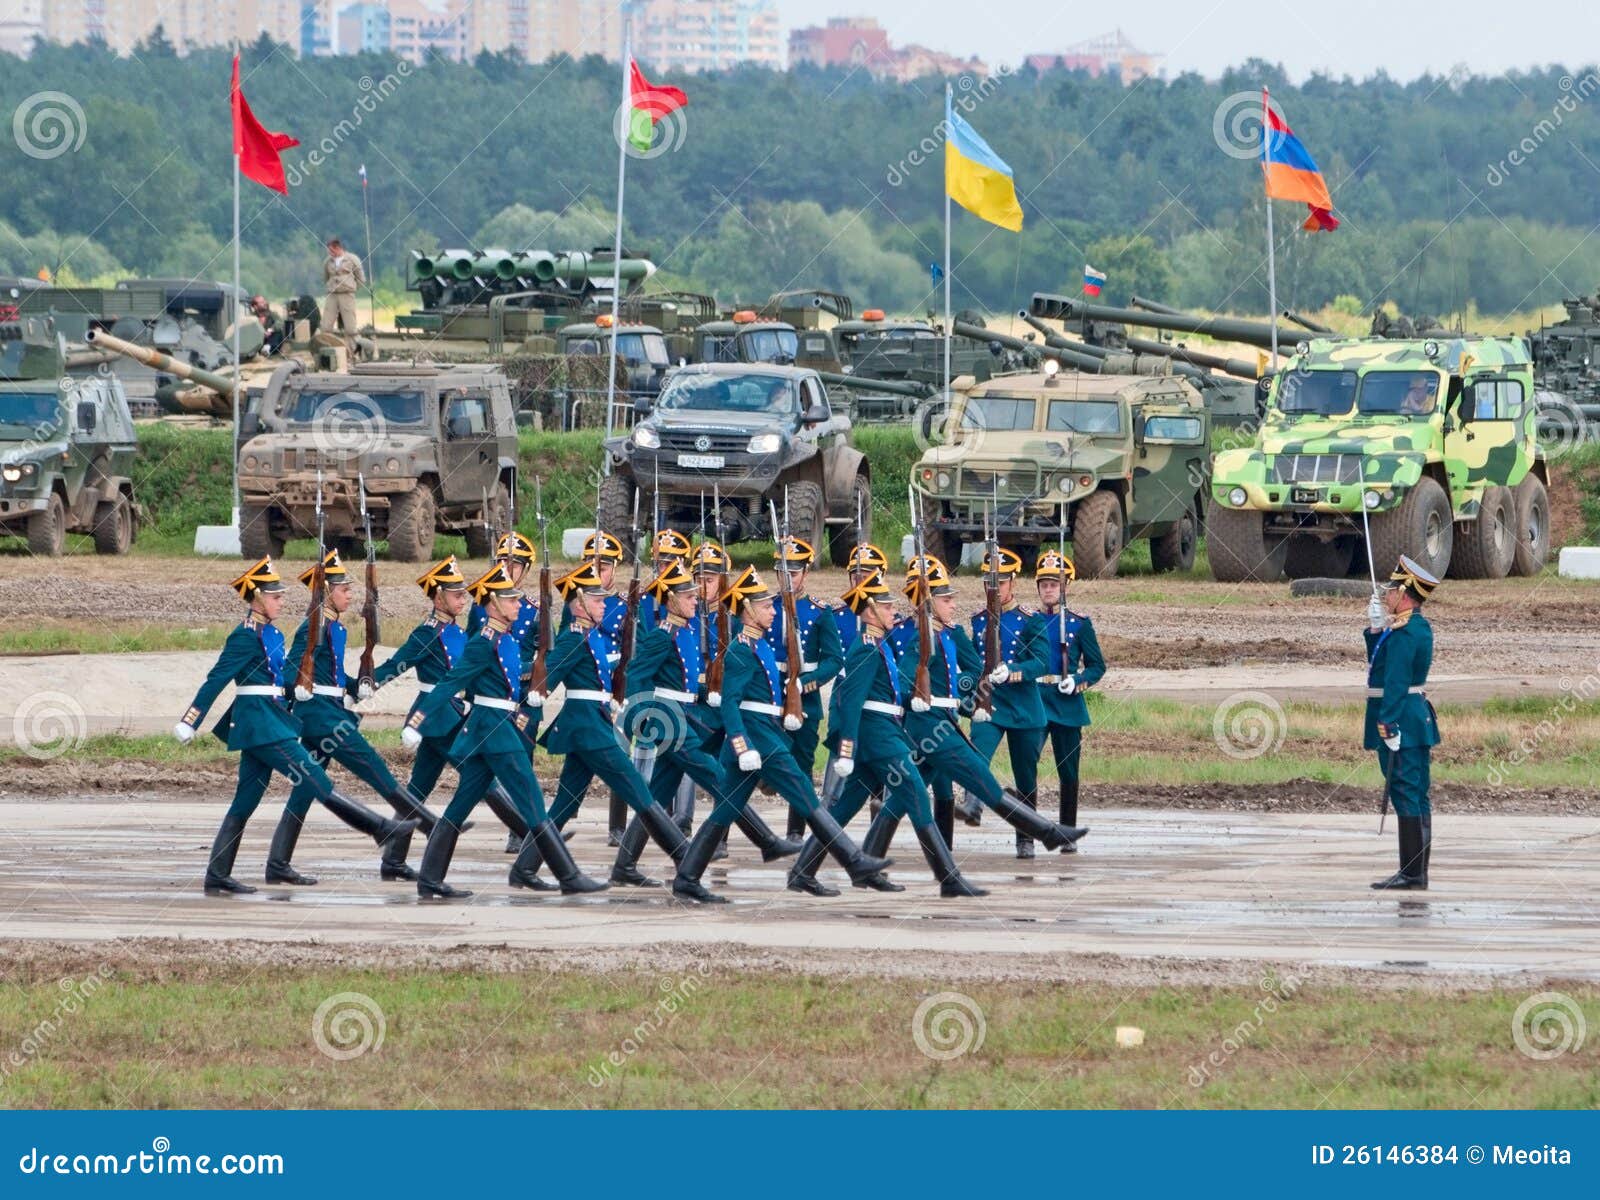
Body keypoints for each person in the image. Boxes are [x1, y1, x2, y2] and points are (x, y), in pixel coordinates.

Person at [173, 558, 417, 895]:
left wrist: (300, 688)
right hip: (260, 724)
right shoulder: (243, 637)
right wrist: (191, 720)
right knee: (316, 779)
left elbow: (282, 677)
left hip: (271, 719)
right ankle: (378, 828)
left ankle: (218, 874)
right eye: (275, 597)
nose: (282, 601)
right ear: (257, 598)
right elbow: (216, 679)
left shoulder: (271, 632)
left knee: (246, 801)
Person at [670, 566, 893, 903]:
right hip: (759, 740)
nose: (773, 611)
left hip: (765, 735)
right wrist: (742, 746)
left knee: (726, 810)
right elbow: (730, 705)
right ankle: (854, 860)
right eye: (766, 607)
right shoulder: (742, 651)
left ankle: (687, 877)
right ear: (747, 611)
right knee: (806, 795)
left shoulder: (757, 646)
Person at [402, 563, 605, 899]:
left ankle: (430, 879)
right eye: (510, 601)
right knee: (533, 802)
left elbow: (519, 677)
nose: (517, 605)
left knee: (459, 805)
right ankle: (568, 875)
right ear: (493, 605)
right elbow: (451, 682)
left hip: (493, 729)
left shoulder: (506, 640)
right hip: (494, 731)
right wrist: (417, 721)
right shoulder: (484, 643)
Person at [785, 566, 985, 898]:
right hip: (879, 739)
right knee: (918, 796)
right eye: (887, 606)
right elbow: (850, 701)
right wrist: (846, 747)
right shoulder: (865, 648)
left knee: (843, 809)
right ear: (871, 611)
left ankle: (803, 871)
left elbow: (893, 692)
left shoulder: (880, 646)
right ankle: (948, 878)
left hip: (883, 734)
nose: (894, 610)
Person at [510, 559, 704, 895]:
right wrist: (521, 696)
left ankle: (525, 868)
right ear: (579, 604)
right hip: (587, 726)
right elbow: (546, 677)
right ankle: (686, 862)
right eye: (597, 600)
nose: (604, 604)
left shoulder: (591, 635)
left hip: (593, 720)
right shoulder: (573, 638)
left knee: (565, 804)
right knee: (639, 792)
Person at [612, 559, 800, 886]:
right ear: (670, 599)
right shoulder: (662, 635)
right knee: (716, 775)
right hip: (669, 722)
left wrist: (707, 691)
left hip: (685, 716)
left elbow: (682, 680)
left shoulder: (684, 631)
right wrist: (647, 719)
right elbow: (637, 677)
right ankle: (766, 841)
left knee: (653, 796)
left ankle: (624, 865)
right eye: (687, 596)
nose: (695, 599)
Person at [274, 549, 443, 884]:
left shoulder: (335, 628)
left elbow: (331, 675)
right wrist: (296, 689)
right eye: (343, 589)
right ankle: (430, 826)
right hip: (320, 716)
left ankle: (277, 863)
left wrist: (357, 685)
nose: (350, 594)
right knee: (372, 765)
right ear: (325, 593)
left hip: (329, 710)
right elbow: (290, 669)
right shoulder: (314, 626)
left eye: (350, 588)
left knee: (305, 789)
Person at [369, 555, 533, 860]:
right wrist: (366, 685)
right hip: (439, 715)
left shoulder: (460, 632)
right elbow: (398, 664)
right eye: (456, 595)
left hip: (452, 712)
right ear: (438, 596)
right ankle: (532, 832)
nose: (462, 600)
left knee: (418, 790)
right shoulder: (427, 633)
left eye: (463, 595)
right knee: (483, 778)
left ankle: (393, 857)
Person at [960, 546, 1051, 858]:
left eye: (999, 582)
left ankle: (1025, 837)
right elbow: (972, 663)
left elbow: (1041, 662)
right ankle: (972, 803)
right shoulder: (979, 620)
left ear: (1013, 583)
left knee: (1025, 777)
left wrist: (1011, 672)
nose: (993, 588)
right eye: (988, 581)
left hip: (1024, 708)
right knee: (976, 755)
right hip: (990, 704)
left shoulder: (1031, 621)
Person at [1365, 555, 1440, 890]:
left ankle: (1411, 873)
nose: (1387, 595)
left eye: (1392, 590)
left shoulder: (1407, 632)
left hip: (1403, 719)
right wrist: (1376, 630)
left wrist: (1388, 723)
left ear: (1406, 592)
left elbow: (1393, 681)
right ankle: (1416, 871)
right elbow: (1381, 665)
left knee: (1406, 793)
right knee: (1416, 793)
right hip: (1415, 717)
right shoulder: (1410, 627)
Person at [766, 535, 844, 839]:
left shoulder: (819, 611)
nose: (787, 579)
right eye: (782, 573)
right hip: (770, 697)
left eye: (793, 573)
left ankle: (795, 833)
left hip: (805, 699)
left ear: (805, 574)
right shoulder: (767, 608)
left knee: (801, 765)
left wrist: (805, 683)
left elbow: (833, 660)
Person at [1034, 549, 1105, 850]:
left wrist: (1076, 681)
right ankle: (1030, 832)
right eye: (1044, 584)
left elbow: (1097, 666)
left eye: (1054, 584)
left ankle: (1067, 834)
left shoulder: (1078, 624)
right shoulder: (1028, 622)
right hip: (1034, 701)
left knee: (1068, 772)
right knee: (1027, 766)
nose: (1048, 589)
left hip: (1065, 703)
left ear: (1065, 587)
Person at [321, 237, 364, 341]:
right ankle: (327, 345)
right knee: (326, 324)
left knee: (350, 326)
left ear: (338, 248)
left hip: (347, 294)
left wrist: (351, 288)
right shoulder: (328, 261)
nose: (330, 253)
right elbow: (325, 277)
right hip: (332, 295)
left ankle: (353, 349)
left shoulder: (352, 259)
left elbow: (360, 278)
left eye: (331, 250)